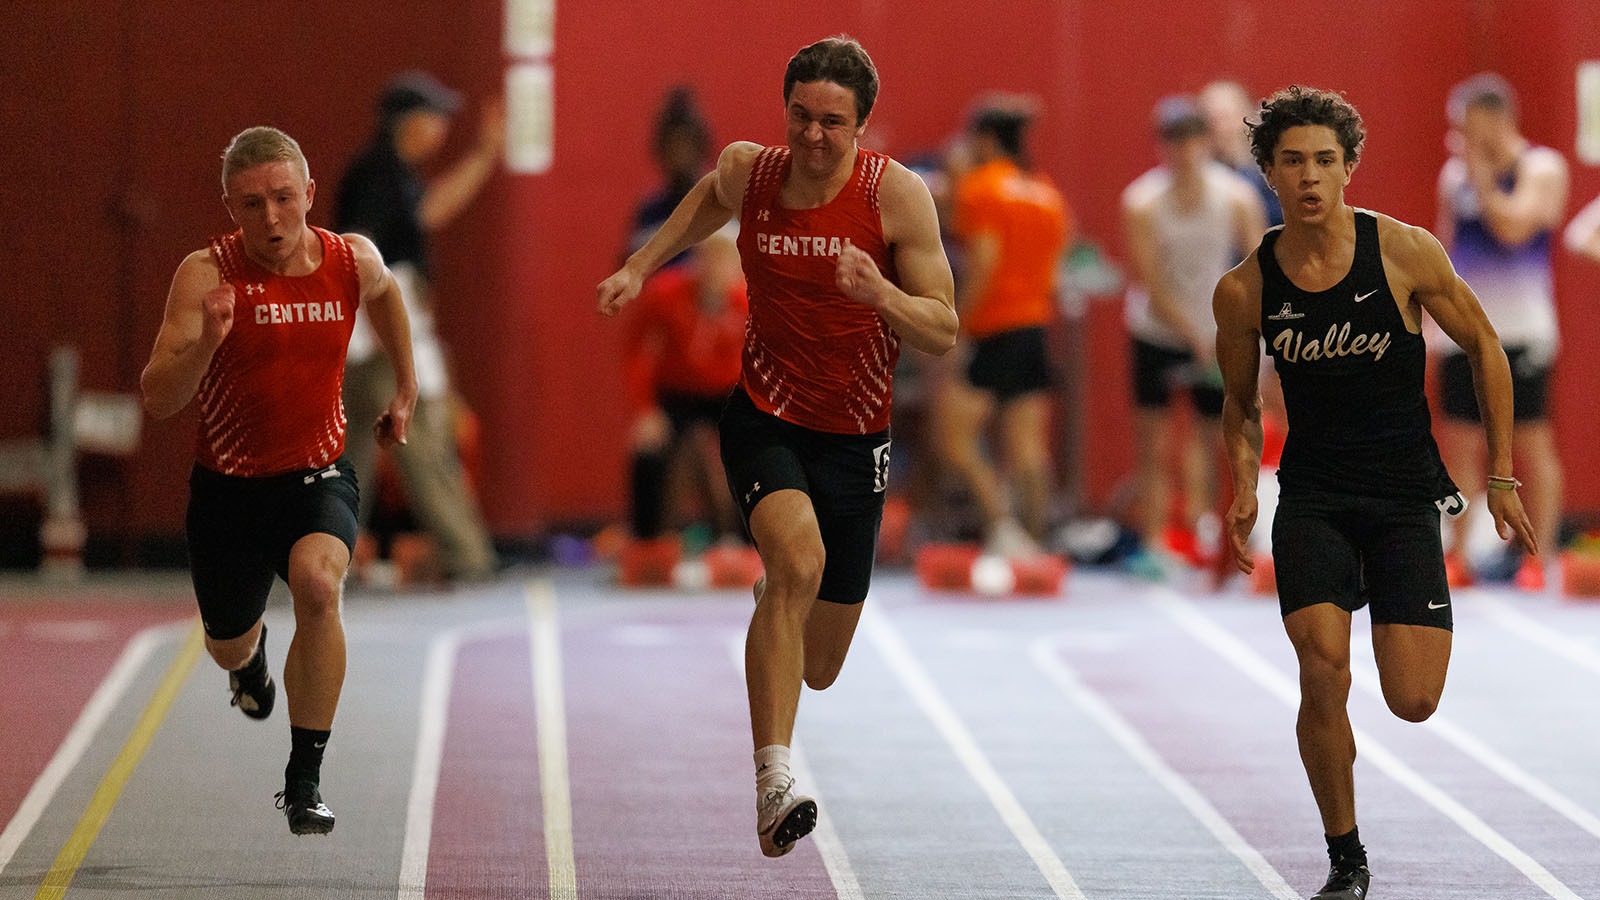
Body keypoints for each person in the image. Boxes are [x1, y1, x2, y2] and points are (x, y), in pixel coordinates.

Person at [597, 36, 956, 858]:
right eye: (801, 116)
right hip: (766, 415)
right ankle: (774, 781)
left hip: (856, 437)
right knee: (796, 562)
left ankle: (780, 611)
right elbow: (705, 200)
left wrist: (881, 291)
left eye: (833, 122)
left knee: (820, 664)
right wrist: (640, 267)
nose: (813, 136)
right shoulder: (751, 172)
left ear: (861, 126)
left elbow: (942, 328)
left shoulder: (896, 197)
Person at [1214, 85, 1537, 900]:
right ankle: (1346, 857)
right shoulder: (1246, 289)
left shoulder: (1402, 252)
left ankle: (1351, 786)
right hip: (1313, 500)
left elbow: (1486, 346)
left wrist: (1501, 477)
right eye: (1293, 162)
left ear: (1349, 167)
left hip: (1401, 501)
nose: (1310, 177)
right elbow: (1239, 403)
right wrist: (1245, 485)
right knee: (1323, 674)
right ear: (1269, 173)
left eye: (1325, 160)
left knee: (1414, 700)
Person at [140, 126, 418, 834]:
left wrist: (406, 387)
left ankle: (304, 780)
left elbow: (388, 295)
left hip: (317, 474)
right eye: (251, 204)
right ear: (229, 207)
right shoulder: (206, 275)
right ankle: (249, 664)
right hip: (229, 491)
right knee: (226, 644)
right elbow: (158, 396)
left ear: (310, 193)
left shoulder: (351, 259)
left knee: (319, 586)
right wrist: (207, 342)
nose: (271, 218)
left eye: (284, 198)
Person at [336, 70, 503, 584]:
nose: (441, 129)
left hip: (378, 329)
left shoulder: (395, 175)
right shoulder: (376, 175)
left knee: (357, 450)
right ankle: (465, 554)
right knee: (420, 442)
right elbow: (359, 257)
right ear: (407, 123)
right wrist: (383, 334)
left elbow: (429, 211)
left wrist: (483, 158)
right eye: (434, 118)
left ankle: (332, 551)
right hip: (379, 330)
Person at [1122, 94, 1267, 577]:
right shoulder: (1143, 202)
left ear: (1205, 142)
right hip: (1157, 331)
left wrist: (1240, 327)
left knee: (1220, 440)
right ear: (1160, 146)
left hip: (1215, 331)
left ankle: (1220, 535)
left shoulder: (1235, 197)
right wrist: (1191, 334)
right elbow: (1149, 280)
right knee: (1154, 442)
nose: (1183, 152)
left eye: (1190, 141)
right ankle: (1154, 539)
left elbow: (1258, 263)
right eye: (1172, 142)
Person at [1433, 73, 1568, 589]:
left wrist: (1485, 179)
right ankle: (1459, 554)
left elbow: (1513, 229)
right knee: (1460, 447)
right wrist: (1432, 319)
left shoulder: (1541, 167)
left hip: (1521, 333)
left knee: (1531, 443)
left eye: (1465, 126)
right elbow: (1443, 252)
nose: (1458, 137)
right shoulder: (1455, 176)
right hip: (1465, 333)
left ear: (1495, 119)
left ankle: (1540, 556)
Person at [928, 97, 1069, 557]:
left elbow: (984, 263)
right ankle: (1038, 542)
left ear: (986, 140)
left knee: (952, 435)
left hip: (994, 326)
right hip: (1034, 325)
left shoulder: (981, 189)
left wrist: (959, 325)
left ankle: (1003, 524)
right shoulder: (1045, 192)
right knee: (1029, 448)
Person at [622, 225, 747, 543]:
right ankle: (647, 540)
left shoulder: (749, 301)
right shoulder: (665, 294)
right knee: (648, 448)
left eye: (725, 259)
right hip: (676, 392)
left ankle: (747, 542)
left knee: (756, 450)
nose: (716, 268)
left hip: (728, 392)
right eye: (709, 258)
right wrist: (645, 410)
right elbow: (636, 351)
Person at [627, 85, 715, 268]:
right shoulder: (649, 212)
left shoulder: (723, 204)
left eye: (686, 145)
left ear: (700, 147)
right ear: (661, 151)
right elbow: (630, 267)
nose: (680, 155)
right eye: (672, 147)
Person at [1199, 79, 1283, 227]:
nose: (1220, 128)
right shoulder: (1194, 179)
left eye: (1225, 117)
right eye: (1212, 120)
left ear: (1248, 117)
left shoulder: (1269, 172)